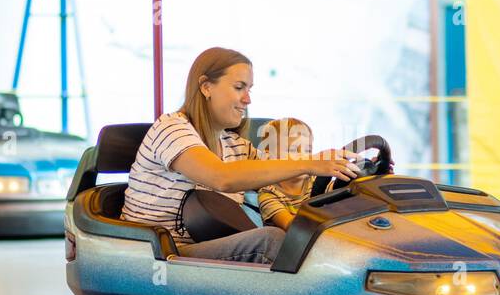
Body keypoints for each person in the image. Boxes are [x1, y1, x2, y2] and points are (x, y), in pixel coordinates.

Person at [120, 47, 358, 263]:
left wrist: (350, 174)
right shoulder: (172, 128)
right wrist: (309, 164)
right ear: (206, 87)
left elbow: (286, 172)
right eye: (239, 87)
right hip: (159, 253)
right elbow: (220, 177)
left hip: (207, 247)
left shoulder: (236, 146)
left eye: (249, 89)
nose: (248, 99)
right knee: (269, 241)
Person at [255, 118, 315, 231]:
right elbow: (291, 227)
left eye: (308, 150)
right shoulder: (268, 194)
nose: (303, 157)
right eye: (293, 150)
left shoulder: (314, 180)